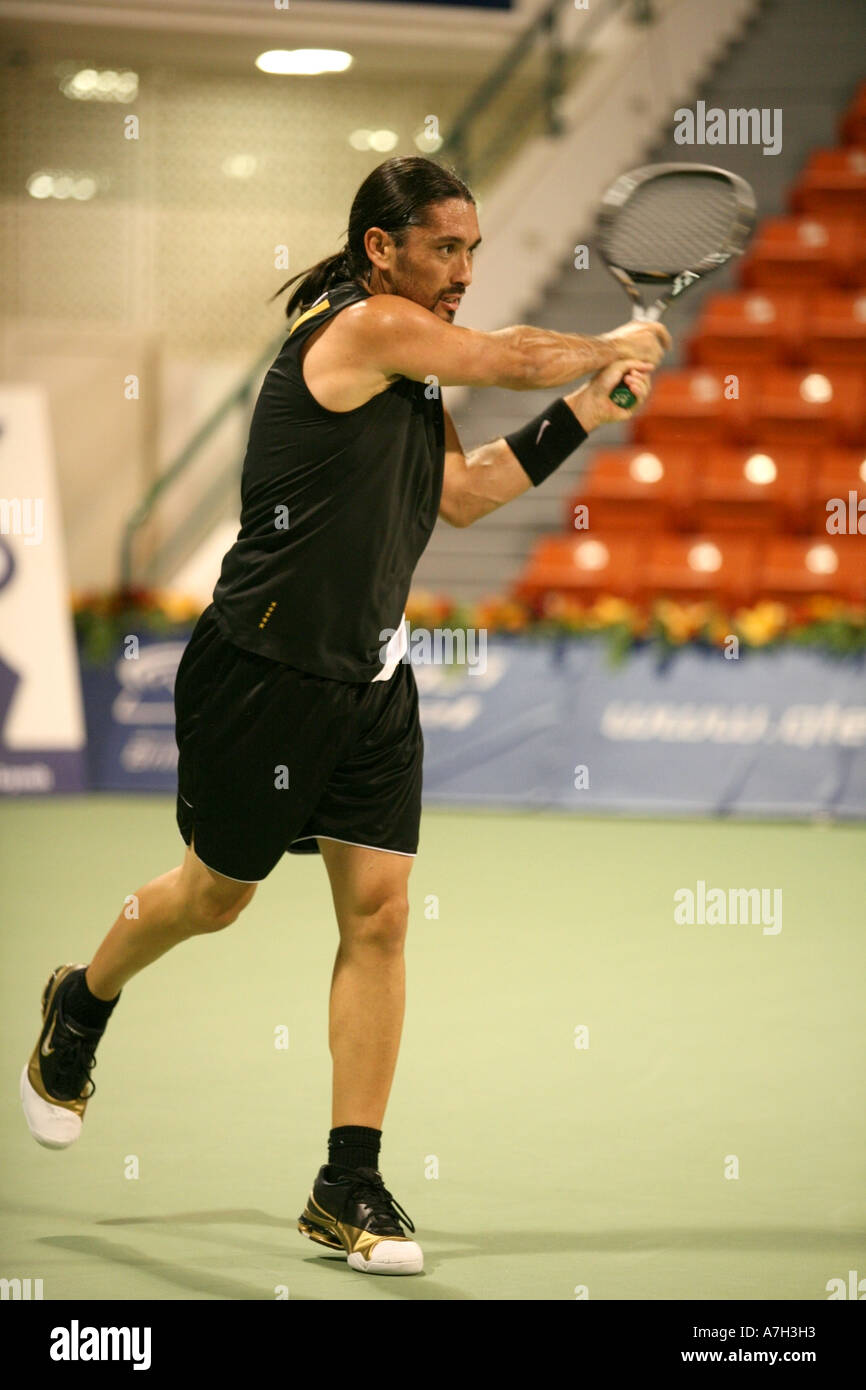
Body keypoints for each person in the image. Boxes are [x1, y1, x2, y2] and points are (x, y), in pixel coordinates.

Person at [21, 155, 670, 1279]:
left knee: (378, 915)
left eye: (473, 250)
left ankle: (346, 1179)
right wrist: (607, 346)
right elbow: (511, 353)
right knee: (211, 899)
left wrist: (580, 410)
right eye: (444, 248)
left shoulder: (412, 369)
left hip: (370, 679)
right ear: (384, 247)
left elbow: (461, 496)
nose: (463, 269)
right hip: (260, 673)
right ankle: (81, 999)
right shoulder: (365, 328)